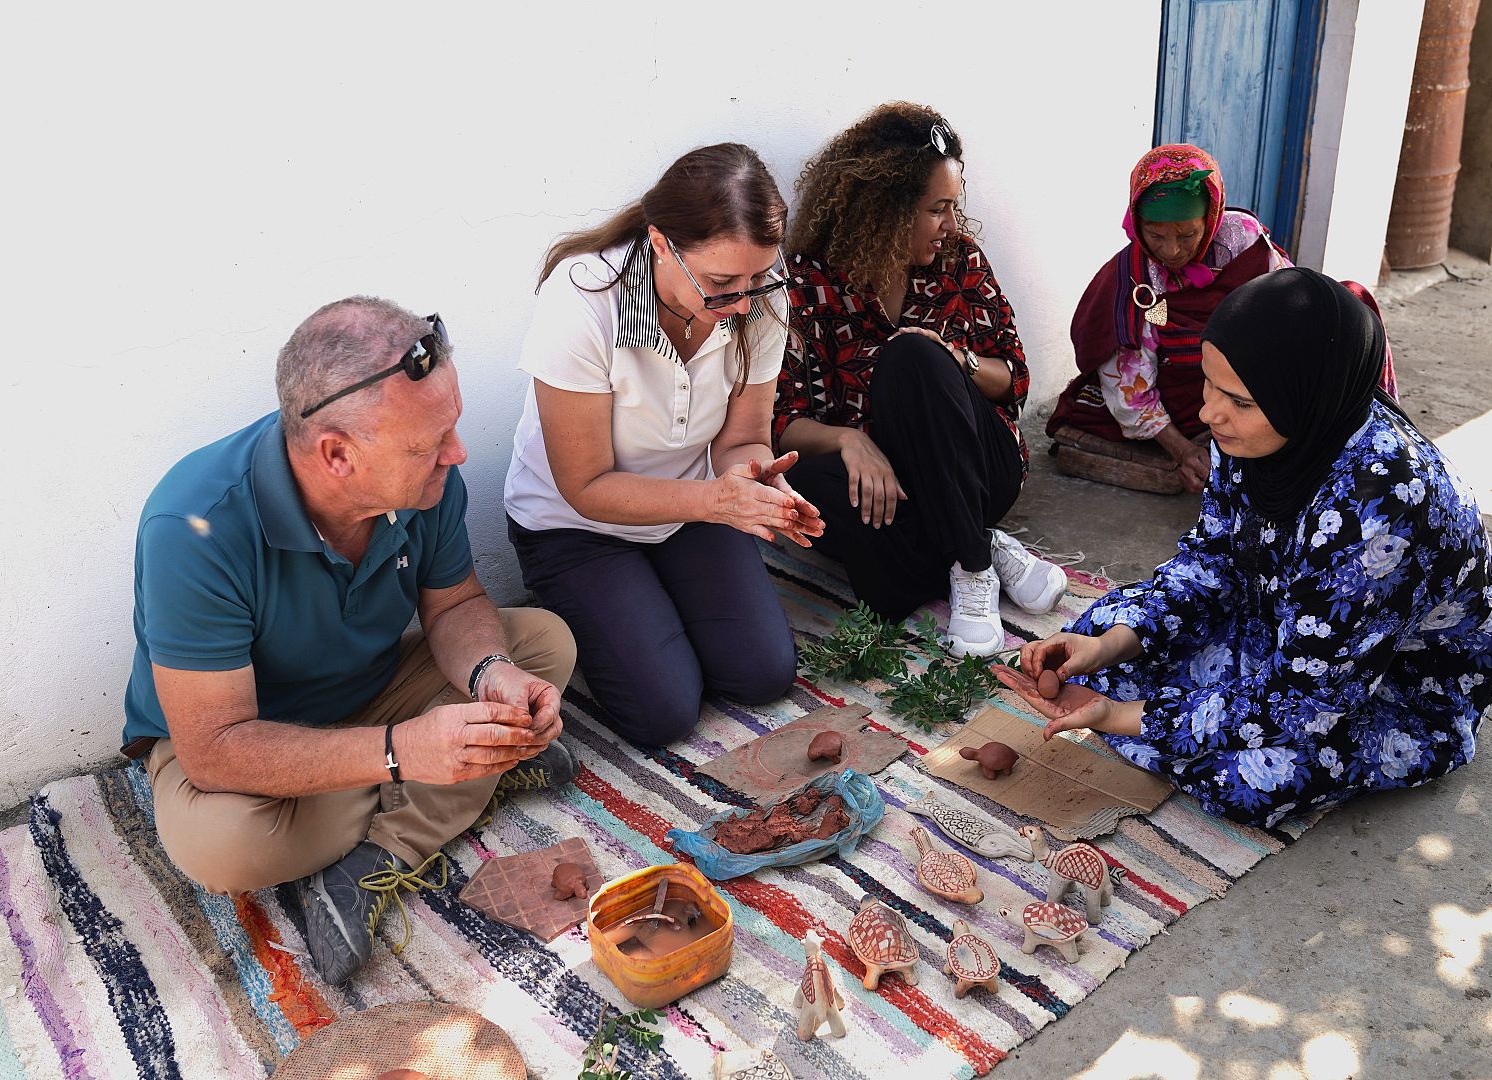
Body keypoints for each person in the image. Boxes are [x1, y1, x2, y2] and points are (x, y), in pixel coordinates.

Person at [122, 297, 578, 984]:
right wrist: (406, 753)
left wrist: (493, 676)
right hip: (239, 743)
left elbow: (455, 604)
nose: (456, 454)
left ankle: (376, 857)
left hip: (373, 693)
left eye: (448, 431)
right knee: (222, 847)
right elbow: (214, 750)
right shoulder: (194, 526)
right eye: (429, 445)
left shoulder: (429, 483)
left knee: (544, 644)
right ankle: (467, 778)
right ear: (337, 454)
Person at [1002, 268, 1492, 828]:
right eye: (1208, 383)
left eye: (1238, 401)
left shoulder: (1380, 510)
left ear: (1303, 399)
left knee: (1252, 781)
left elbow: (1306, 700)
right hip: (1291, 626)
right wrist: (1110, 646)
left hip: (1385, 688)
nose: (1208, 414)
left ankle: (1159, 716)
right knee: (1106, 628)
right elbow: (1213, 558)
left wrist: (1119, 716)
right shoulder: (1268, 430)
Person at [504, 143, 823, 747]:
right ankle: (607, 600)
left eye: (759, 278)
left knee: (763, 674)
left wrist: (758, 484)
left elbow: (744, 438)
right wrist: (717, 503)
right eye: (721, 282)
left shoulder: (758, 295)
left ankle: (652, 599)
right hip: (576, 526)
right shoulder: (582, 300)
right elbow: (584, 486)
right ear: (659, 243)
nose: (743, 300)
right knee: (663, 714)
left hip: (694, 507)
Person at [774, 102, 1066, 657]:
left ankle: (975, 568)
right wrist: (848, 439)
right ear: (883, 212)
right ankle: (976, 540)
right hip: (885, 487)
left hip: (979, 465)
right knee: (873, 582)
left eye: (952, 208)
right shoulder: (805, 287)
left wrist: (955, 362)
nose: (952, 226)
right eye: (937, 210)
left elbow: (1016, 381)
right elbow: (781, 420)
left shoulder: (960, 262)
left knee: (911, 356)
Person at [1047, 144, 1296, 495]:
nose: (1172, 251)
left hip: (1248, 384)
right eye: (1155, 235)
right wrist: (1184, 451)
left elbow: (1290, 320)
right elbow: (1131, 383)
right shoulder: (1137, 283)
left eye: (1187, 234)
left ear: (1211, 217)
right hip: (1181, 401)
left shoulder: (1246, 246)